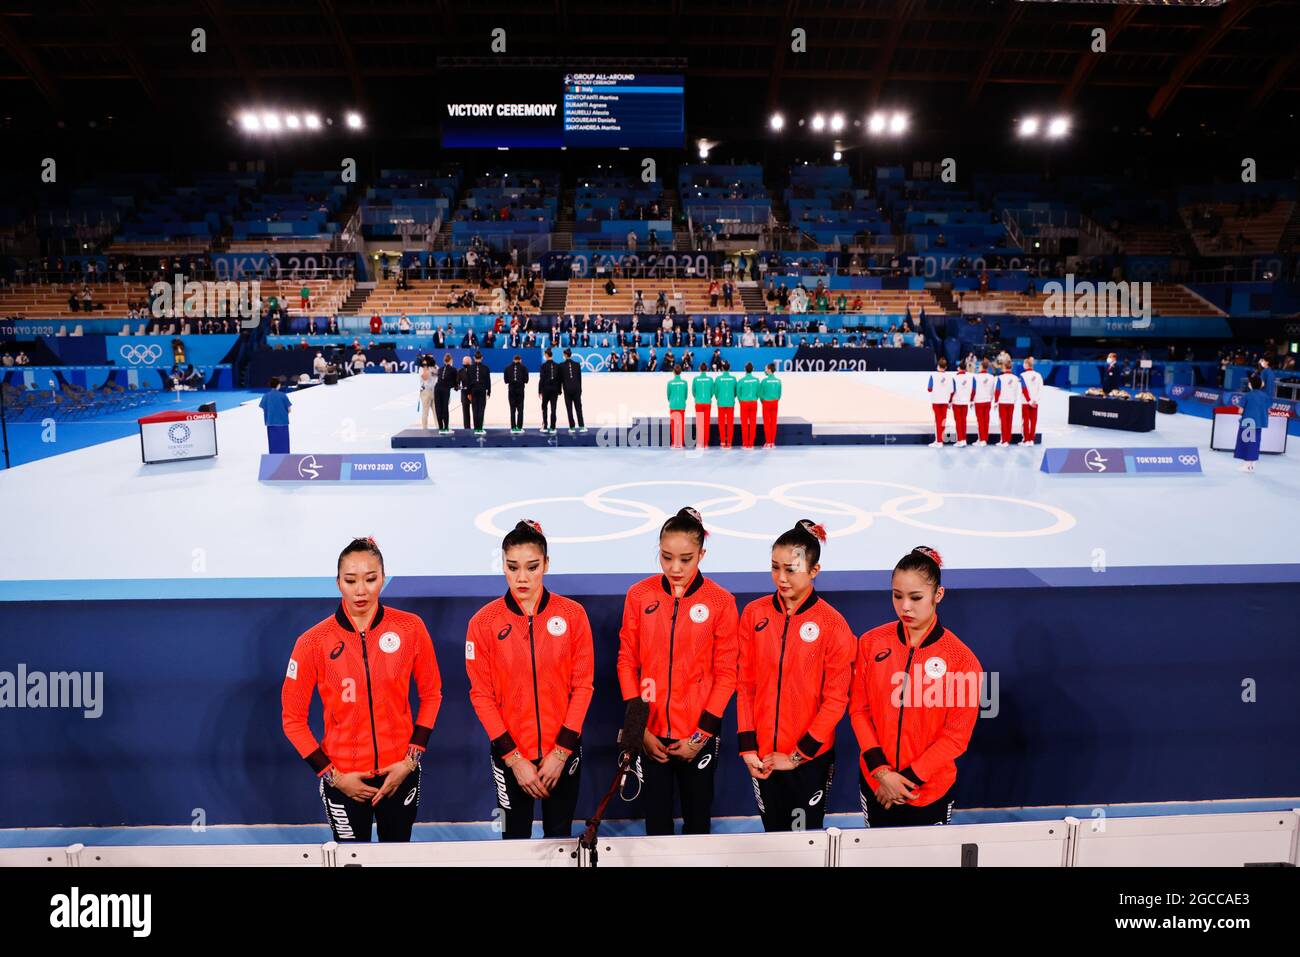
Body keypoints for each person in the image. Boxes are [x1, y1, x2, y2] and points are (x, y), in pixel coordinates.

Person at [281, 537, 442, 842]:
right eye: (350, 580)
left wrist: (409, 762)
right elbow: (293, 720)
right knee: (351, 860)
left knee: (397, 858)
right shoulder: (312, 642)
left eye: (370, 579)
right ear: (338, 582)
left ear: (383, 578)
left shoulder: (410, 628)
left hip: (400, 773)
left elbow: (432, 694)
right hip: (344, 779)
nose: (361, 590)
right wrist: (334, 777)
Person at [465, 520, 594, 839]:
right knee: (513, 841)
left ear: (546, 564)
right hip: (511, 758)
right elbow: (481, 696)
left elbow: (583, 687)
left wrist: (560, 753)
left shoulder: (573, 615)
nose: (522, 577)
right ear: (502, 565)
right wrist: (514, 760)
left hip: (562, 755)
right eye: (512, 567)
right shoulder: (483, 623)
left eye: (532, 567)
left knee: (560, 837)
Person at [617, 508, 739, 835]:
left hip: (696, 736)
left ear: (702, 555)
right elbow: (627, 661)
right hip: (650, 734)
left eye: (686, 560)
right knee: (656, 823)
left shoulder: (721, 602)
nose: (675, 568)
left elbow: (727, 675)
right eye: (666, 557)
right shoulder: (639, 595)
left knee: (697, 822)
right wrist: (639, 730)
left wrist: (699, 738)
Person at [737, 520, 855, 832]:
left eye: (791, 569)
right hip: (763, 757)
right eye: (775, 567)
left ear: (814, 570)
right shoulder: (754, 614)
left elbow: (835, 701)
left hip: (809, 762)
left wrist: (796, 757)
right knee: (773, 835)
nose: (781, 577)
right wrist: (748, 748)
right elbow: (745, 685)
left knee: (804, 841)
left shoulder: (833, 625)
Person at [851, 547, 980, 828]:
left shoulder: (962, 660)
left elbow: (956, 738)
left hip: (928, 792)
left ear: (938, 595)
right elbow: (859, 711)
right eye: (897, 596)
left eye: (916, 597)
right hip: (877, 783)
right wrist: (882, 773)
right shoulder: (871, 643)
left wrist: (905, 782)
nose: (905, 607)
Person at [1234, 372, 1272, 473]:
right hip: (1258, 423)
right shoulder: (1265, 396)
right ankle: (1251, 465)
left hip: (1248, 422)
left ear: (1250, 385)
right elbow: (1268, 410)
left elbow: (1240, 411)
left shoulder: (1247, 396)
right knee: (1254, 443)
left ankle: (1247, 466)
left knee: (1247, 443)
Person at [994, 358, 1027, 447]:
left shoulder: (1000, 378)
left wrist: (996, 401)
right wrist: (1014, 399)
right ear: (1011, 368)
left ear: (1004, 367)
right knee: (1009, 421)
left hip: (1003, 402)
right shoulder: (1016, 378)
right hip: (1011, 402)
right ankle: (1007, 440)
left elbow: (997, 390)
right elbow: (1016, 390)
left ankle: (1004, 441)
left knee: (1003, 422)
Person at [927, 358, 955, 448]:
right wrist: (949, 401)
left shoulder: (933, 375)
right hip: (945, 401)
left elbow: (929, 389)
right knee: (943, 421)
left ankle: (938, 441)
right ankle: (940, 441)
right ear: (946, 367)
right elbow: (952, 390)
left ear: (937, 366)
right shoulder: (950, 377)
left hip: (936, 400)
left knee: (937, 421)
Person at [259, 376, 292, 453]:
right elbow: (289, 409)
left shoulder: (266, 396)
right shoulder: (283, 395)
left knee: (273, 446)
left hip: (271, 423)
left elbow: (264, 408)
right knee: (284, 445)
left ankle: (274, 459)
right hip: (283, 423)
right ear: (278, 385)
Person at [560, 347, 586, 433]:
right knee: (578, 408)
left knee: (569, 409)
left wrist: (560, 389)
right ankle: (581, 426)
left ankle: (572, 427)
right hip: (576, 389)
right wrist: (580, 389)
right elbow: (579, 378)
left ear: (565, 355)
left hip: (567, 390)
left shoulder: (561, 365)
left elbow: (561, 379)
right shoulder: (577, 364)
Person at [1020, 356, 1044, 445]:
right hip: (1035, 402)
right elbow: (1040, 389)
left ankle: (1026, 440)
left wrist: (1029, 401)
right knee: (1033, 421)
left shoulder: (1023, 375)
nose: (1023, 365)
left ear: (1027, 364)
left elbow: (1024, 389)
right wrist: (1035, 400)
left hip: (1025, 402)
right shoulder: (1038, 375)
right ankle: (1031, 440)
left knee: (1026, 421)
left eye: (1024, 363)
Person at [972, 359, 996, 446]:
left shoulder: (976, 377)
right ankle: (984, 438)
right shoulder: (991, 377)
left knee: (981, 421)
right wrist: (991, 398)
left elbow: (973, 390)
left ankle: (982, 439)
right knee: (986, 420)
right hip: (987, 401)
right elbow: (993, 390)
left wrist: (971, 399)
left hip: (979, 401)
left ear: (981, 367)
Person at [714, 360, 737, 449]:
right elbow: (735, 392)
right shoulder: (733, 379)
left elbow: (716, 392)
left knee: (721, 423)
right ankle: (729, 442)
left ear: (722, 368)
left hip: (721, 403)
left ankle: (723, 442)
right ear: (729, 368)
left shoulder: (718, 379)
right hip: (730, 403)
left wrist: (719, 398)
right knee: (730, 423)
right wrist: (731, 397)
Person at [951, 359, 975, 447]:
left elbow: (952, 390)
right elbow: (973, 389)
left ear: (958, 368)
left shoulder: (955, 378)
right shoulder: (970, 377)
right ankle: (964, 440)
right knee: (963, 421)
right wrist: (971, 400)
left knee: (958, 421)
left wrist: (949, 401)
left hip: (957, 402)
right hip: (965, 401)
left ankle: (960, 440)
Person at [737, 362, 761, 450]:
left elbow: (738, 393)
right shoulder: (756, 380)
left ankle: (745, 443)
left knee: (744, 423)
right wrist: (755, 398)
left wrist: (741, 401)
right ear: (753, 369)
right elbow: (759, 392)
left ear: (744, 369)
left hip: (744, 403)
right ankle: (751, 443)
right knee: (753, 423)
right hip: (753, 402)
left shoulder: (741, 381)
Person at [692, 362, 715, 450]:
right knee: (706, 423)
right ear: (707, 369)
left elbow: (693, 392)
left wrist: (698, 398)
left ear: (699, 369)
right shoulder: (710, 379)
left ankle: (700, 442)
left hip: (699, 403)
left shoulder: (696, 379)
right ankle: (705, 443)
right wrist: (707, 397)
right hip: (707, 402)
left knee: (699, 423)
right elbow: (712, 392)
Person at [759, 363, 782, 448]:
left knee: (767, 423)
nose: (764, 370)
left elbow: (761, 394)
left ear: (769, 370)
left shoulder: (764, 381)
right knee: (773, 422)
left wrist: (763, 401)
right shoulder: (778, 381)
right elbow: (779, 394)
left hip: (766, 403)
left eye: (765, 369)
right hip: (775, 403)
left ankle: (768, 442)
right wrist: (775, 400)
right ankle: (772, 442)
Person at [504, 354, 529, 434]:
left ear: (513, 359)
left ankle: (513, 427)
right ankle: (519, 427)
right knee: (520, 409)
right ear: (520, 360)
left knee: (512, 409)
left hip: (511, 390)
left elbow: (506, 381)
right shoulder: (524, 368)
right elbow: (526, 380)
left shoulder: (507, 368)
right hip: (520, 390)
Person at [468, 350, 491, 435]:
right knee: (481, 409)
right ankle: (480, 428)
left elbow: (468, 381)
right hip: (482, 390)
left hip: (473, 390)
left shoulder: (470, 368)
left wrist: (468, 393)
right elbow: (488, 381)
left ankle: (476, 428)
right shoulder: (486, 368)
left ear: (474, 358)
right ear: (482, 358)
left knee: (474, 409)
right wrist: (489, 392)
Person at [433, 352, 457, 434]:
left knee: (438, 408)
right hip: (444, 389)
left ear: (444, 361)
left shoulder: (440, 369)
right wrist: (456, 387)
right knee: (444, 408)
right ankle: (446, 428)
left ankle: (441, 428)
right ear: (451, 360)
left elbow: (441, 379)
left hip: (437, 389)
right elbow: (455, 382)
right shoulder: (453, 370)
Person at [538, 347, 560, 434]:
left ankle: (545, 425)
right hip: (554, 390)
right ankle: (553, 427)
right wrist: (559, 390)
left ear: (547, 355)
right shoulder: (557, 365)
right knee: (553, 408)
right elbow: (559, 380)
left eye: (544, 355)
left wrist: (539, 391)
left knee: (544, 407)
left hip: (546, 390)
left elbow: (542, 379)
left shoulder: (543, 366)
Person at [667, 364, 688, 449]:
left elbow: (668, 395)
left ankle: (674, 443)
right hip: (681, 405)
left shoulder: (670, 383)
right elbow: (685, 395)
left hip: (673, 405)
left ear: (673, 372)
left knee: (673, 425)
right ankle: (681, 443)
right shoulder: (684, 383)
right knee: (681, 425)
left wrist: (672, 400)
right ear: (681, 372)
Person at [418, 360, 437, 431]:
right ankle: (424, 429)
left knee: (436, 411)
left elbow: (438, 374)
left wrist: (432, 368)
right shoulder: (421, 368)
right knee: (425, 412)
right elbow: (425, 377)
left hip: (434, 391)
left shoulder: (435, 367)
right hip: (425, 391)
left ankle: (439, 428)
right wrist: (426, 368)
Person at [457, 355, 474, 430]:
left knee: (476, 411)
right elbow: (457, 382)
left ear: (471, 362)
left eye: (467, 362)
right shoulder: (460, 371)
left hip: (474, 393)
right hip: (464, 393)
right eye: (465, 362)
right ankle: (467, 429)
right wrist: (457, 386)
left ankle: (478, 427)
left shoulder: (474, 370)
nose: (466, 363)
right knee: (466, 413)